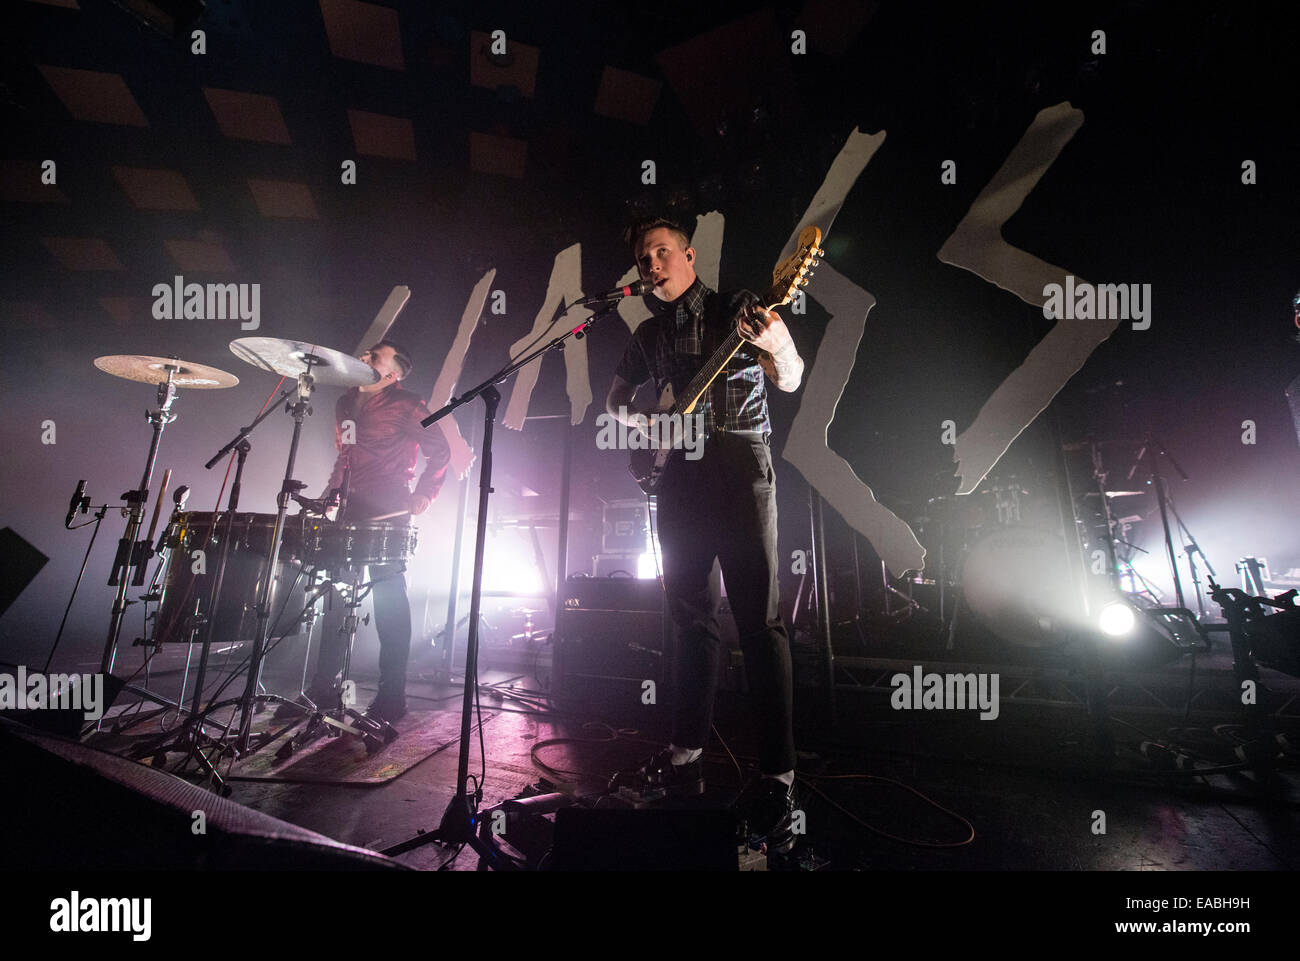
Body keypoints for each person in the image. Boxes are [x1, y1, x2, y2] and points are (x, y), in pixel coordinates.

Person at [604, 216, 805, 849]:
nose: (651, 263)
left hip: (742, 460)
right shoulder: (646, 331)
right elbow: (612, 402)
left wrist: (773, 341)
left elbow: (793, 376)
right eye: (643, 257)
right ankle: (685, 757)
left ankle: (779, 777)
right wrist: (648, 425)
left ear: (689, 255)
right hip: (681, 470)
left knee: (760, 621)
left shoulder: (741, 306)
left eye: (661, 251)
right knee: (690, 617)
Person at [293, 341, 450, 723]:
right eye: (364, 354)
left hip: (388, 508)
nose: (363, 357)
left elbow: (441, 452)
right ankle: (323, 688)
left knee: (389, 601)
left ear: (392, 373)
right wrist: (330, 497)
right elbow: (345, 455)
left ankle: (392, 694)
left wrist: (424, 496)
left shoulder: (409, 404)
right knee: (335, 598)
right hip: (349, 507)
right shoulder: (345, 404)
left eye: (374, 356)